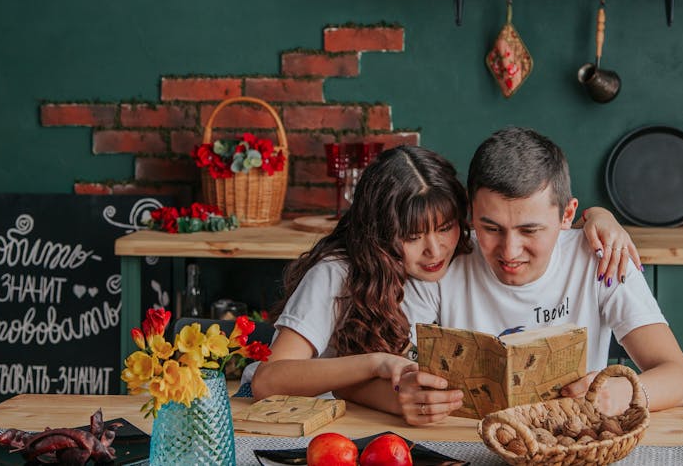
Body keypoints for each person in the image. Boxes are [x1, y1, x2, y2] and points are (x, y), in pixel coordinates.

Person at [249, 145, 639, 401]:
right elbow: (268, 381)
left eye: (446, 229)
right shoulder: (337, 274)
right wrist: (377, 363)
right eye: (412, 236)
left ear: (462, 220)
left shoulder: (467, 249)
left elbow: (532, 217)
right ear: (380, 233)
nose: (435, 250)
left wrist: (599, 216)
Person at [391, 127, 683, 424]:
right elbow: (390, 368)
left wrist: (625, 392)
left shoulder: (601, 257)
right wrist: (402, 392)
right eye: (491, 228)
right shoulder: (441, 263)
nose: (510, 251)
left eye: (530, 230)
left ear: (567, 215)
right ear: (471, 214)